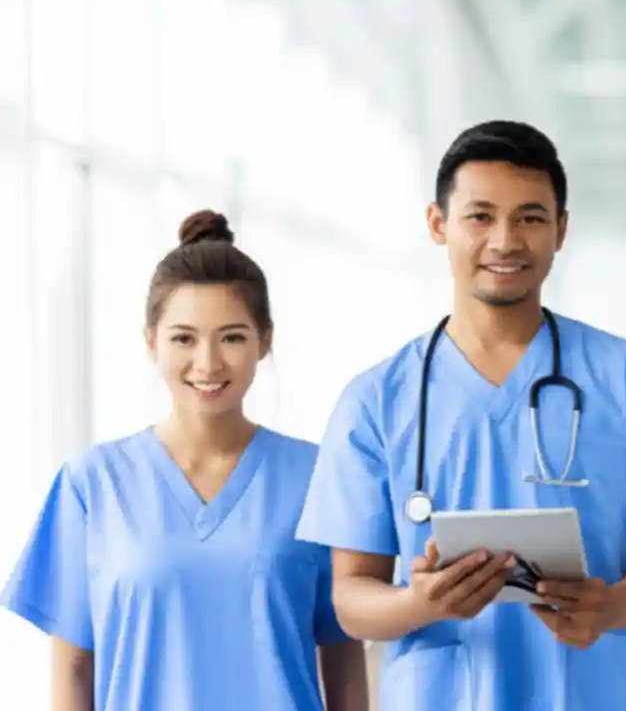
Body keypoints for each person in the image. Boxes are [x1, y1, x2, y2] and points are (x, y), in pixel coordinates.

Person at [294, 119, 626, 710]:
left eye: (530, 217)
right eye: (480, 217)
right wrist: (421, 604)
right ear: (437, 225)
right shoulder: (376, 400)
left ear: (561, 230)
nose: (505, 241)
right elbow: (351, 598)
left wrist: (611, 607)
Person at [1, 211, 369, 711]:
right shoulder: (91, 485)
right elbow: (72, 668)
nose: (208, 362)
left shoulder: (318, 477)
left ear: (266, 340)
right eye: (184, 338)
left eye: (232, 336)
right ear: (151, 342)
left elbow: (344, 658)